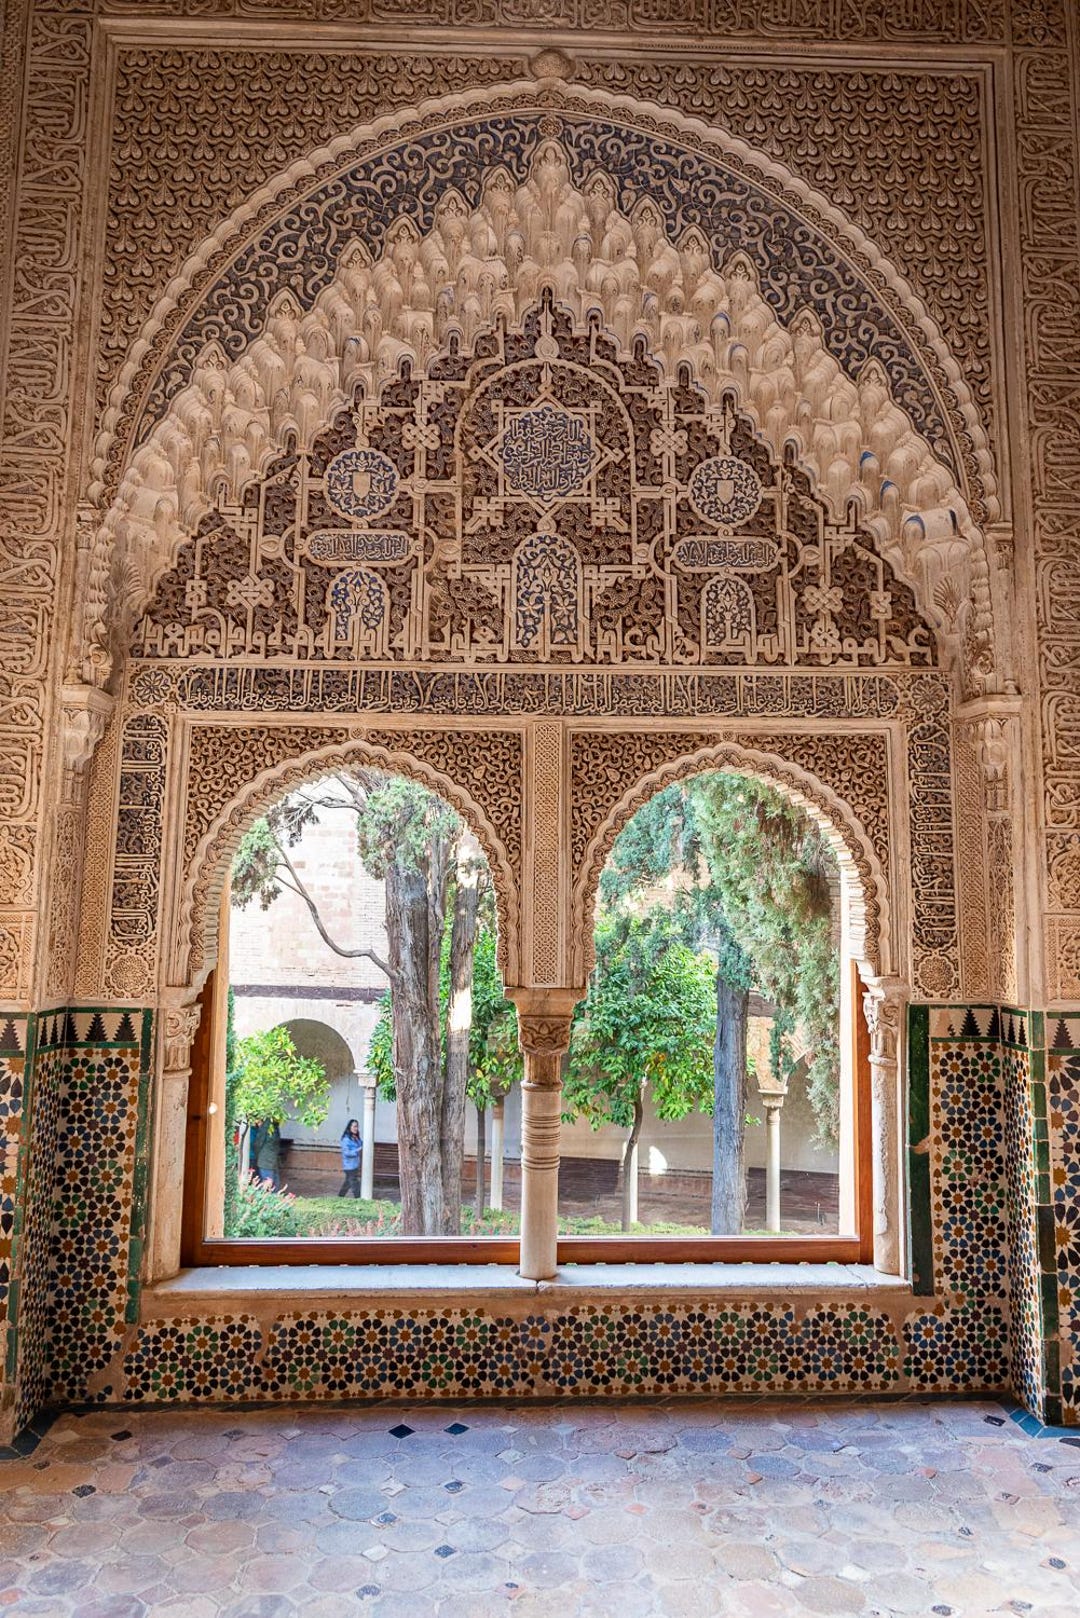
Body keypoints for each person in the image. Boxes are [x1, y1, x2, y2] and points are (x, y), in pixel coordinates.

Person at [252, 1119, 282, 1191]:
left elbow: (258, 1143)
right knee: (273, 1184)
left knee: (267, 1184)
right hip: (271, 1160)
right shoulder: (274, 1126)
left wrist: (257, 1155)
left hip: (265, 1160)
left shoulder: (265, 1126)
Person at [338, 1118, 363, 1198]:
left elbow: (362, 1144)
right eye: (354, 1126)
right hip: (349, 1166)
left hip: (355, 1165)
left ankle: (340, 1197)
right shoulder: (346, 1139)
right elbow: (346, 1153)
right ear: (349, 1127)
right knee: (355, 1184)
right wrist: (357, 1151)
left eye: (357, 1127)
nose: (356, 1128)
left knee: (347, 1183)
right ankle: (359, 1199)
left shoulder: (356, 1138)